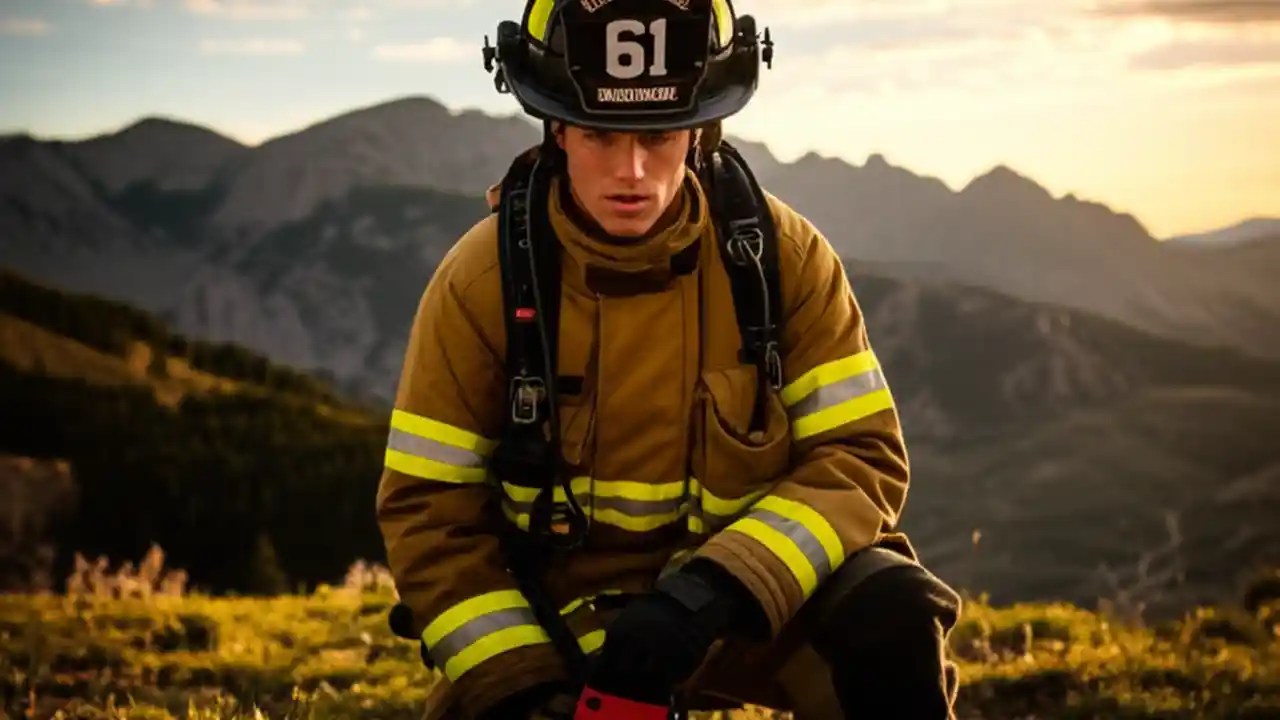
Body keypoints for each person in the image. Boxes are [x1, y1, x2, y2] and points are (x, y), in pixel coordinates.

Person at [375, 0, 962, 718]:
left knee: (892, 610)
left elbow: (859, 456)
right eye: (599, 133)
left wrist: (714, 591)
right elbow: (431, 516)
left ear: (702, 128)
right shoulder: (480, 284)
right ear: (556, 127)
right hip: (550, 626)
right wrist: (522, 686)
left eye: (658, 136)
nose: (632, 170)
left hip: (742, 610)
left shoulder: (783, 258)